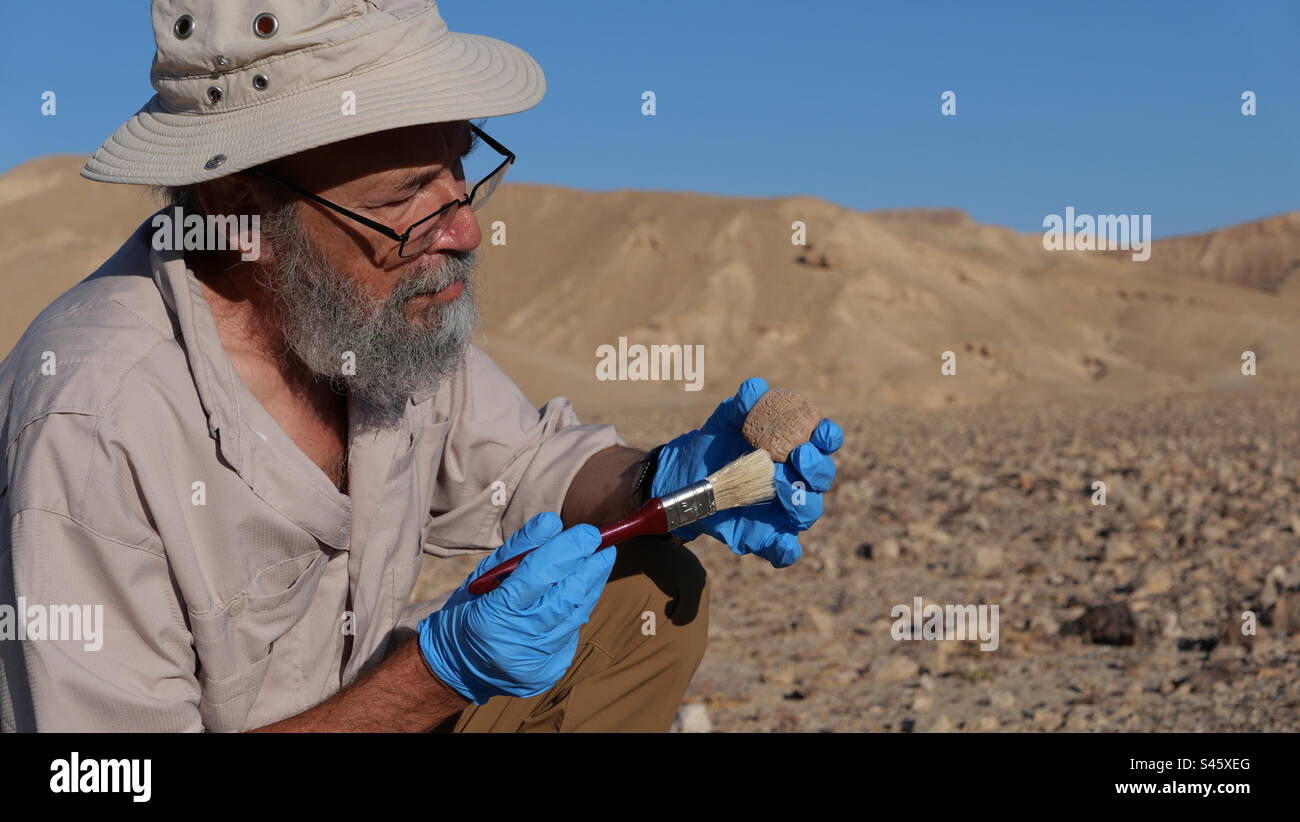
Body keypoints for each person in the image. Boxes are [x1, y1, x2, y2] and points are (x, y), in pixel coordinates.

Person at [0, 0, 842, 732]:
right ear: (238, 205)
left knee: (642, 596)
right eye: (405, 198)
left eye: (459, 169)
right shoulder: (94, 419)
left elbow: (528, 470)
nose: (464, 232)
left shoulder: (368, 318)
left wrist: (678, 479)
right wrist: (436, 676)